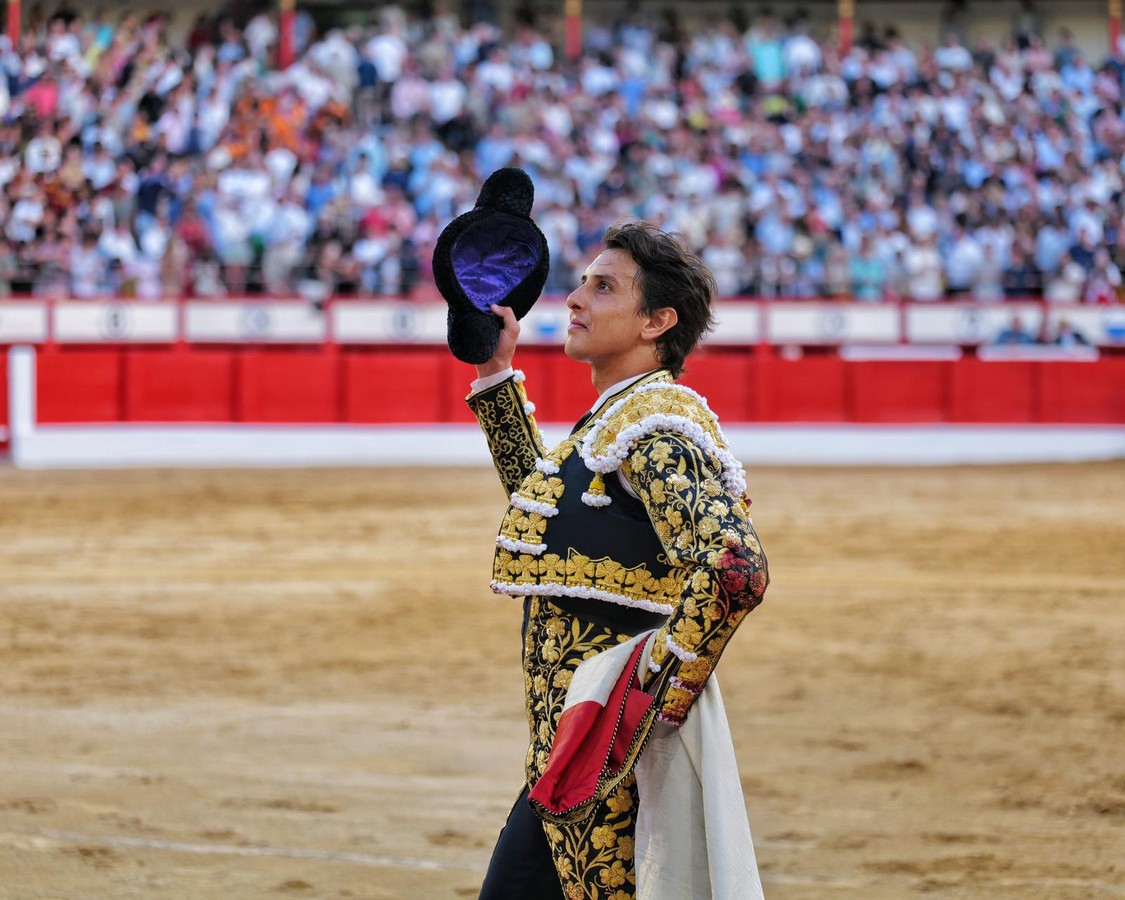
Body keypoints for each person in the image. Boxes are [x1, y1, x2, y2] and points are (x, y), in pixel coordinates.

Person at [466, 221, 769, 899]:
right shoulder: (617, 421)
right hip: (576, 748)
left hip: (609, 750)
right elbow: (544, 513)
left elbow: (734, 567)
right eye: (582, 282)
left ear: (656, 322)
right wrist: (495, 374)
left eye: (603, 287)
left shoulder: (656, 427)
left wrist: (655, 690)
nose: (575, 298)